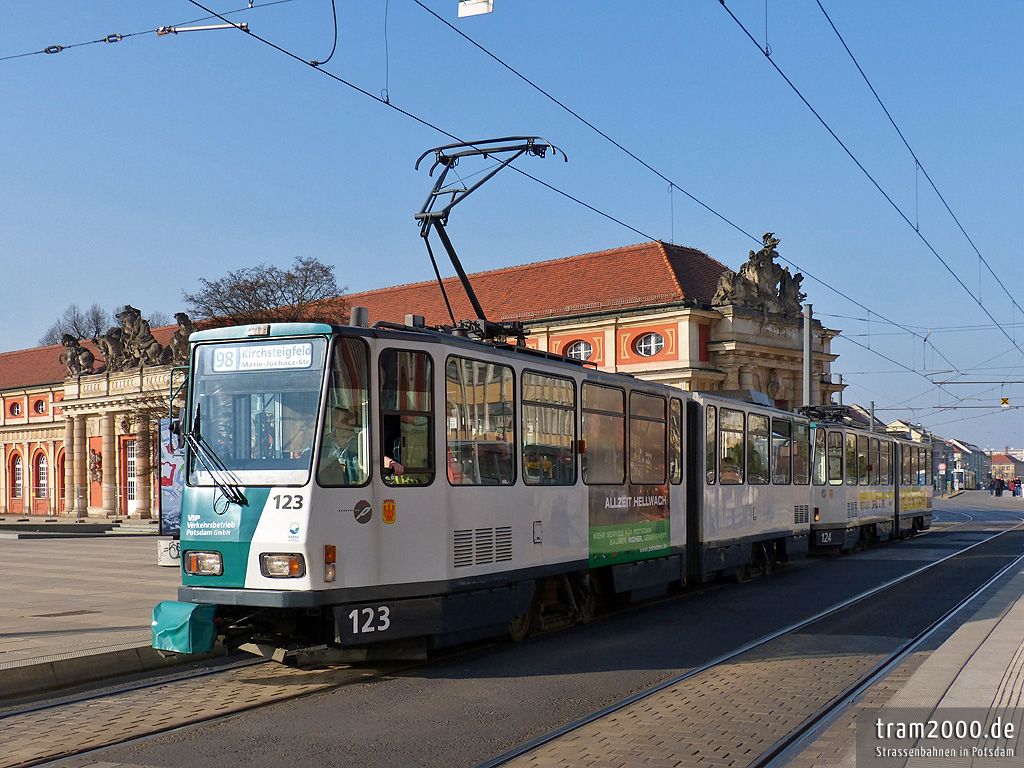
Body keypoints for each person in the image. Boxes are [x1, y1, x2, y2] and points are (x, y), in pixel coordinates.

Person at [319, 407, 403, 485]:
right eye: (345, 420)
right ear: (335, 423)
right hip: (326, 488)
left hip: (355, 488)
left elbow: (376, 456)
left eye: (351, 420)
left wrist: (391, 463)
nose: (350, 424)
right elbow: (307, 457)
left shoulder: (360, 441)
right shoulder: (323, 443)